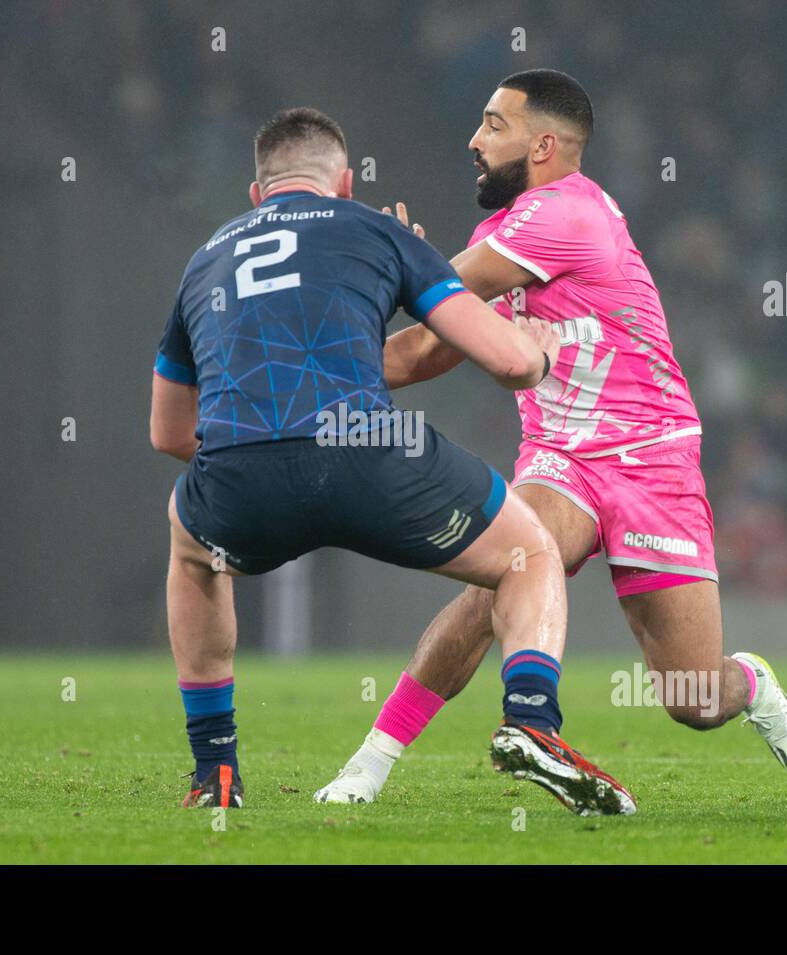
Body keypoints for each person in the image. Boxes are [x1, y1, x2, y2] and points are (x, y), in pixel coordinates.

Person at [315, 70, 787, 806]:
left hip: (654, 456)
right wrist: (334, 378)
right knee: (506, 567)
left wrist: (389, 262)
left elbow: (436, 313)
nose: (473, 140)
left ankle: (754, 685)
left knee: (693, 695)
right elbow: (434, 347)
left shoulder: (566, 215)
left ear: (544, 144)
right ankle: (373, 764)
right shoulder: (507, 228)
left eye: (493, 124)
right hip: (562, 456)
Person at [150, 106, 635, 814]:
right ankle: (532, 720)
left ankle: (214, 772)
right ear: (344, 184)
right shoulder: (373, 229)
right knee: (529, 553)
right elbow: (502, 358)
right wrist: (540, 355)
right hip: (368, 453)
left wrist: (257, 444)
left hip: (239, 475)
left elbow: (168, 431)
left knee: (191, 549)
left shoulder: (206, 259)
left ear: (256, 194)